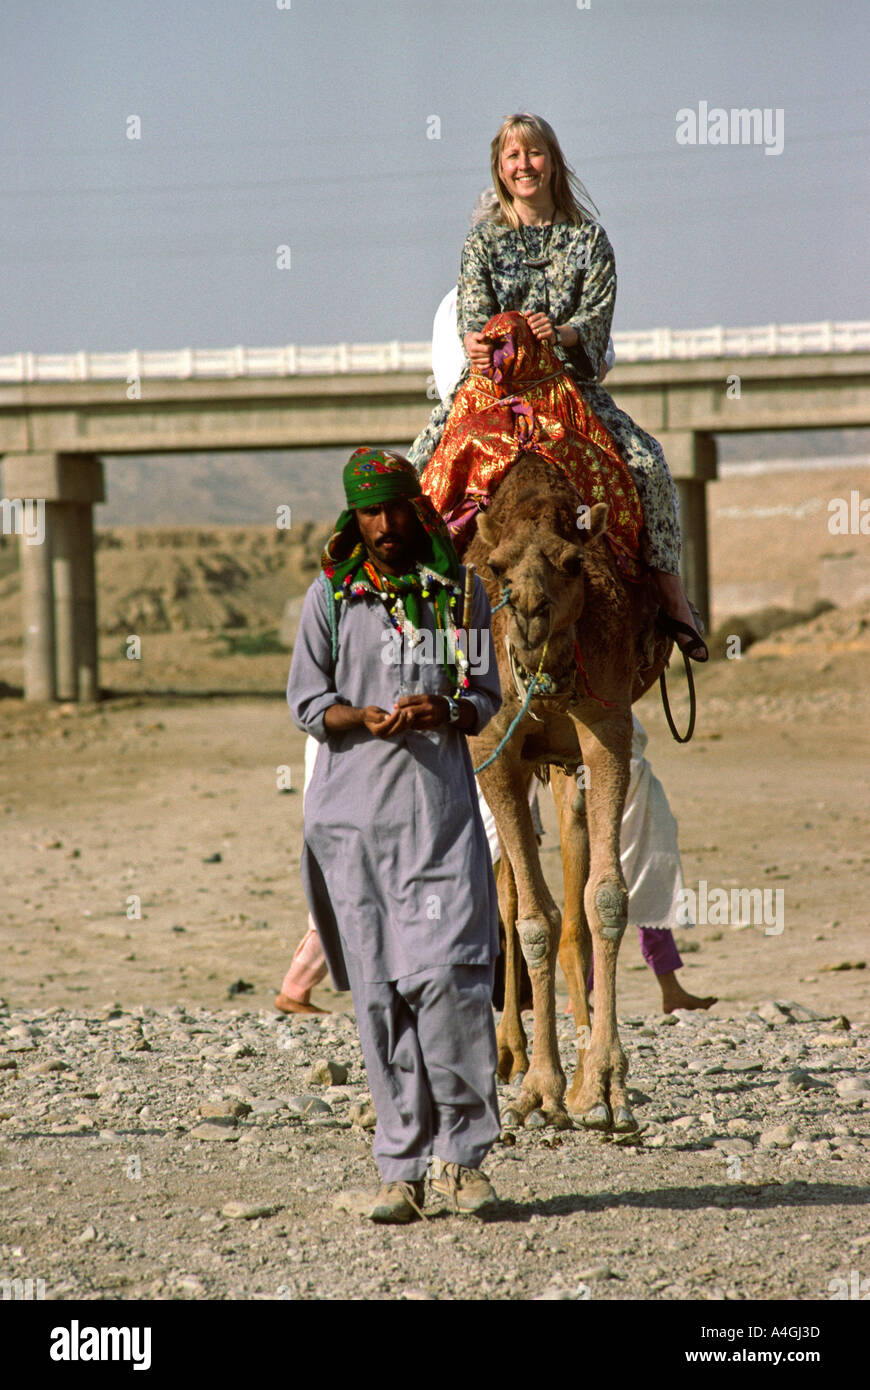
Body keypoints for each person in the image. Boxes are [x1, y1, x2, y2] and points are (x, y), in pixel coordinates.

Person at [286, 447, 503, 1222]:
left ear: (418, 509)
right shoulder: (332, 599)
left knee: (451, 980)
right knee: (379, 996)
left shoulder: (461, 594)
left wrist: (442, 709)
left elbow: (483, 694)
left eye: (395, 510)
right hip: (350, 824)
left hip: (438, 819)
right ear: (356, 516)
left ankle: (464, 1161)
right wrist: (359, 716)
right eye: (370, 513)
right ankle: (400, 1167)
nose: (384, 526)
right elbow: (308, 700)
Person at [409, 111, 708, 661]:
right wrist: (480, 341)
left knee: (649, 463)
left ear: (553, 162)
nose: (525, 166)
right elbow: (473, 318)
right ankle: (408, 611)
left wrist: (564, 332)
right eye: (513, 157)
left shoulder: (591, 242)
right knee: (416, 471)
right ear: (501, 171)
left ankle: (671, 596)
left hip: (566, 388)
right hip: (494, 391)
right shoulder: (481, 244)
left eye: (534, 153)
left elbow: (596, 320)